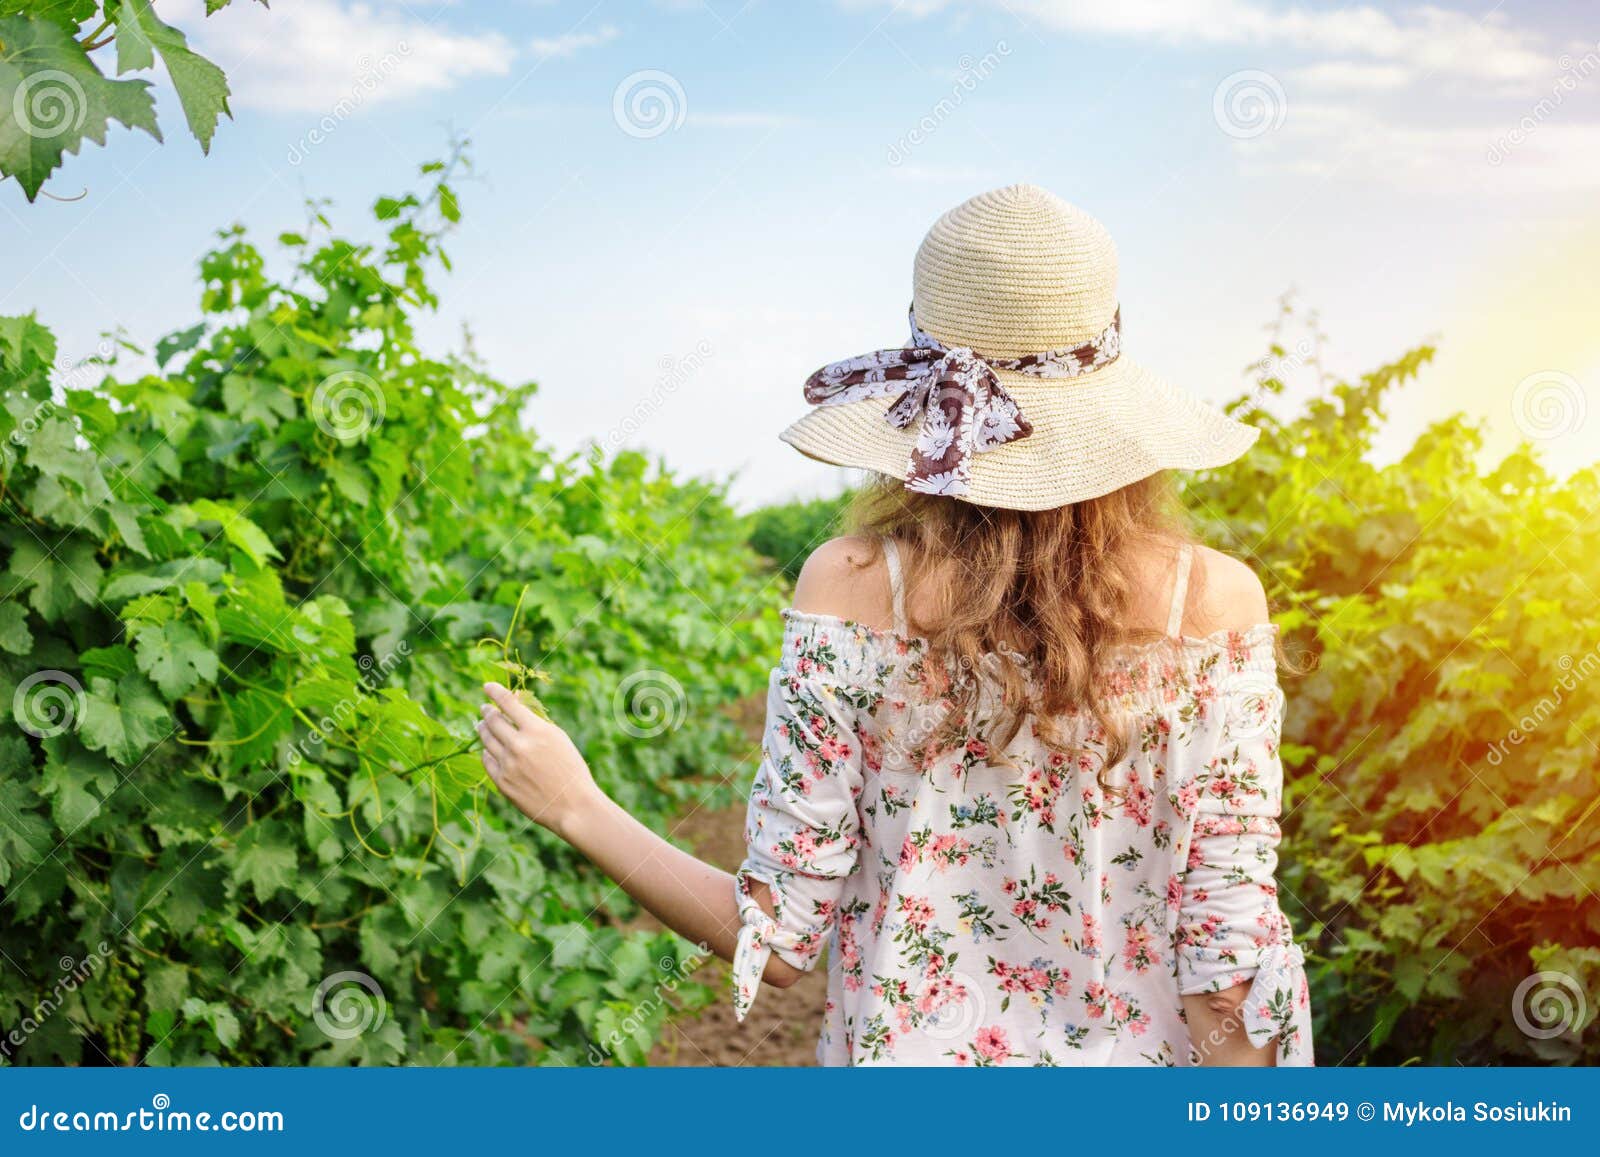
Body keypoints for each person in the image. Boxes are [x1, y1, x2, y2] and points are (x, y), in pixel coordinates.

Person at [478, 185, 1313, 1067]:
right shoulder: (1214, 605)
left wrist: (576, 803)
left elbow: (780, 937)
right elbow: (1225, 968)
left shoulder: (851, 587)